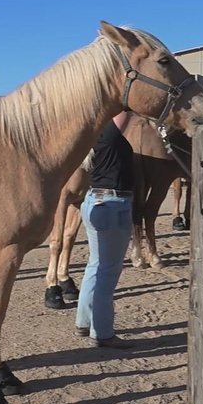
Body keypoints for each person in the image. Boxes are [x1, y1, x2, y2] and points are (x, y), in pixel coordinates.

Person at [75, 112, 137, 349]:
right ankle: (102, 333)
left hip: (95, 199)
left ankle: (84, 322)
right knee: (108, 271)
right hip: (114, 203)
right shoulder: (108, 133)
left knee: (95, 265)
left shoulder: (91, 136)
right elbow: (125, 110)